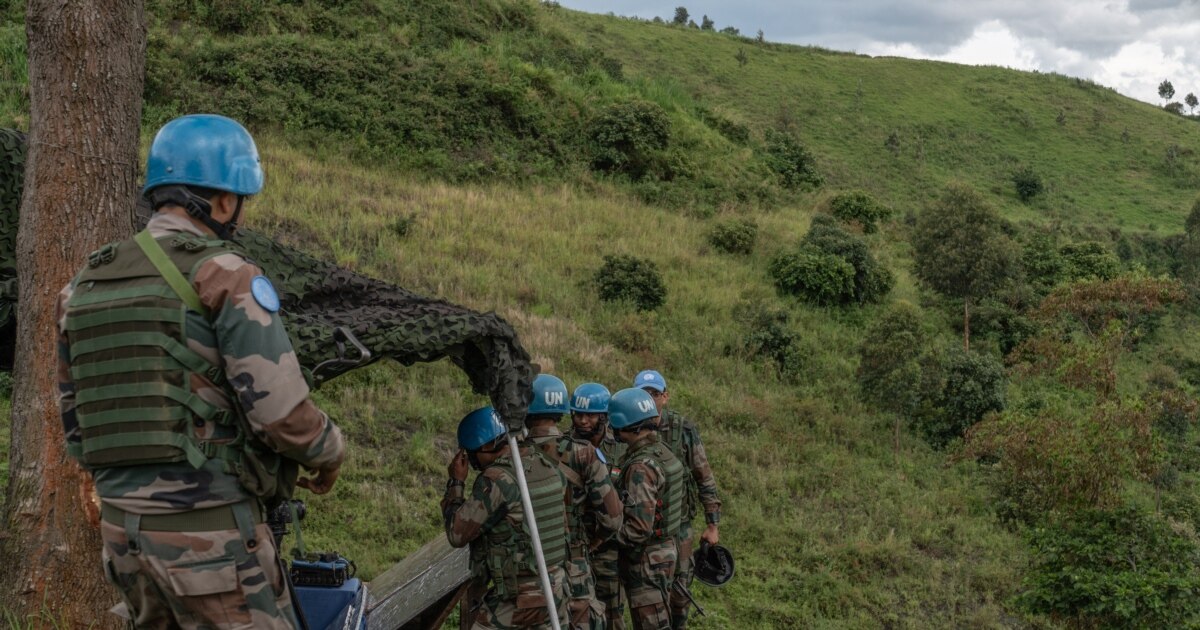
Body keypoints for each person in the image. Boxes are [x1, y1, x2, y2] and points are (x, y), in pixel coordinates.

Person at [57, 114, 345, 628]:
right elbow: (279, 414)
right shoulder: (226, 274)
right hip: (209, 538)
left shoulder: (84, 285)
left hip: (124, 539)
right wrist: (329, 451)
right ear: (224, 200)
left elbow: (75, 419)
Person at [444, 405, 571, 629]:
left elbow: (457, 533)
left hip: (522, 598)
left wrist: (456, 483)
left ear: (484, 445)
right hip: (557, 588)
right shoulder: (545, 464)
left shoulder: (497, 479)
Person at [524, 375, 623, 629]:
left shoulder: (511, 454)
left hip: (526, 567)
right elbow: (613, 519)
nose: (582, 420)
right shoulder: (583, 453)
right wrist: (593, 541)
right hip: (574, 563)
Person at [634, 370, 721, 630]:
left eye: (654, 393)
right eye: (643, 394)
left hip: (679, 527)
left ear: (666, 396)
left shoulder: (683, 429)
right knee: (647, 596)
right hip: (643, 529)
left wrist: (712, 524)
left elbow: (703, 475)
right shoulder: (626, 427)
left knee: (680, 591)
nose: (649, 399)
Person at [609, 388, 685, 630]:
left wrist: (604, 537)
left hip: (646, 563)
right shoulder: (663, 452)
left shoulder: (640, 466)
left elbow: (639, 529)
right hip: (664, 554)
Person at [570, 382, 628, 629]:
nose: (583, 421)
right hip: (573, 547)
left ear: (604, 416)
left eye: (590, 415)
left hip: (609, 549)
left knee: (612, 614)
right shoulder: (561, 447)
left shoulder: (622, 448)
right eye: (578, 414)